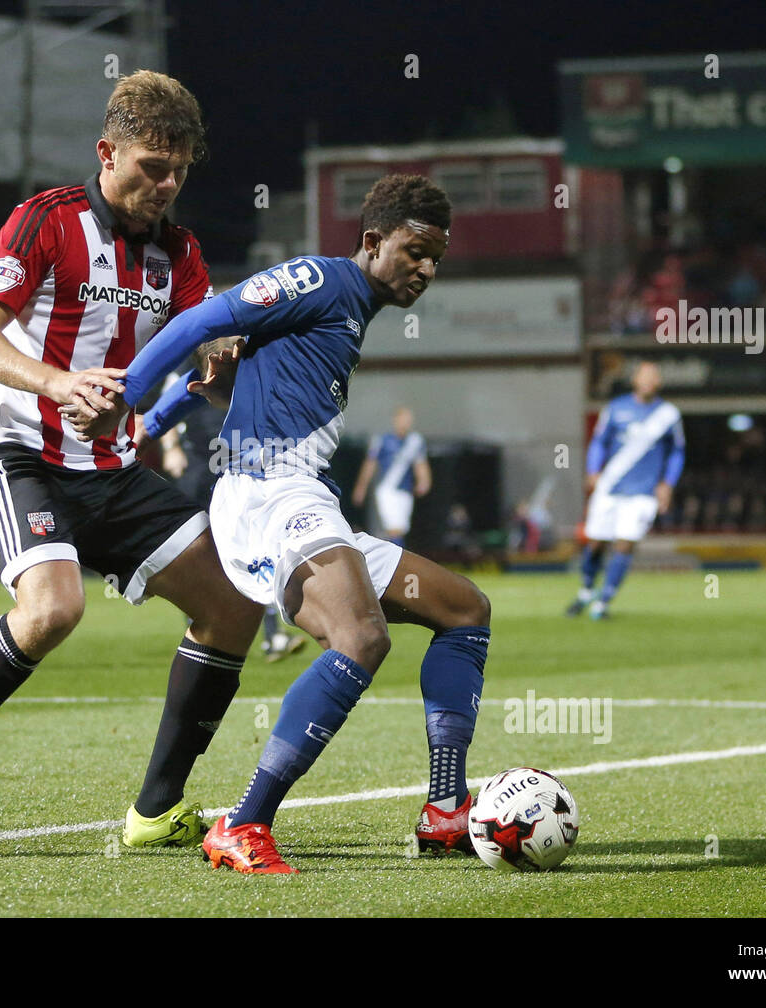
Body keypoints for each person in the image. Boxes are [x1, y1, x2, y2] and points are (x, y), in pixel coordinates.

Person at [0, 70, 263, 858]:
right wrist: (57, 383)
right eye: (151, 168)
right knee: (53, 611)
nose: (166, 185)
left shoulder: (180, 252)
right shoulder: (46, 221)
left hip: (114, 470)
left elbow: (201, 334)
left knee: (234, 604)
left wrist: (222, 353)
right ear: (106, 152)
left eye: (180, 171)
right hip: (25, 455)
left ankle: (157, 808)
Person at [68, 175, 492, 873]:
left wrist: (158, 420)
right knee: (361, 639)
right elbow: (200, 325)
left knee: (464, 608)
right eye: (416, 250)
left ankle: (447, 809)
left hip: (302, 497)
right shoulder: (321, 279)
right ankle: (246, 823)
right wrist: (127, 399)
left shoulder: (349, 310)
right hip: (271, 493)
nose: (427, 268)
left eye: (436, 258)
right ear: (372, 241)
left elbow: (220, 361)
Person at [150, 356, 305, 663]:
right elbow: (167, 407)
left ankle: (273, 635)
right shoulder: (186, 369)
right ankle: (200, 632)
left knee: (260, 544)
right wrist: (171, 449)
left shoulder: (246, 365)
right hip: (197, 466)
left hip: (237, 466)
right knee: (197, 550)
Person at [567, 361, 685, 620]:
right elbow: (599, 442)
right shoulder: (615, 408)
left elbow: (677, 453)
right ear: (635, 380)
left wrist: (668, 483)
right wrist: (593, 470)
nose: (649, 381)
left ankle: (603, 603)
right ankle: (587, 590)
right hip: (610, 486)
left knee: (624, 544)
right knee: (596, 541)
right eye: (644, 376)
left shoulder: (668, 414)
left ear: (659, 382)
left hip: (643, 492)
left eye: (654, 377)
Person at [351, 406, 431, 545]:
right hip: (387, 489)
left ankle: (396, 554)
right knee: (394, 528)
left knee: (401, 528)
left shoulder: (415, 441)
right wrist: (361, 487)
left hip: (405, 490)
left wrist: (424, 481)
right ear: (396, 420)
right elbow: (370, 464)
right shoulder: (382, 440)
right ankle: (398, 560)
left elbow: (420, 464)